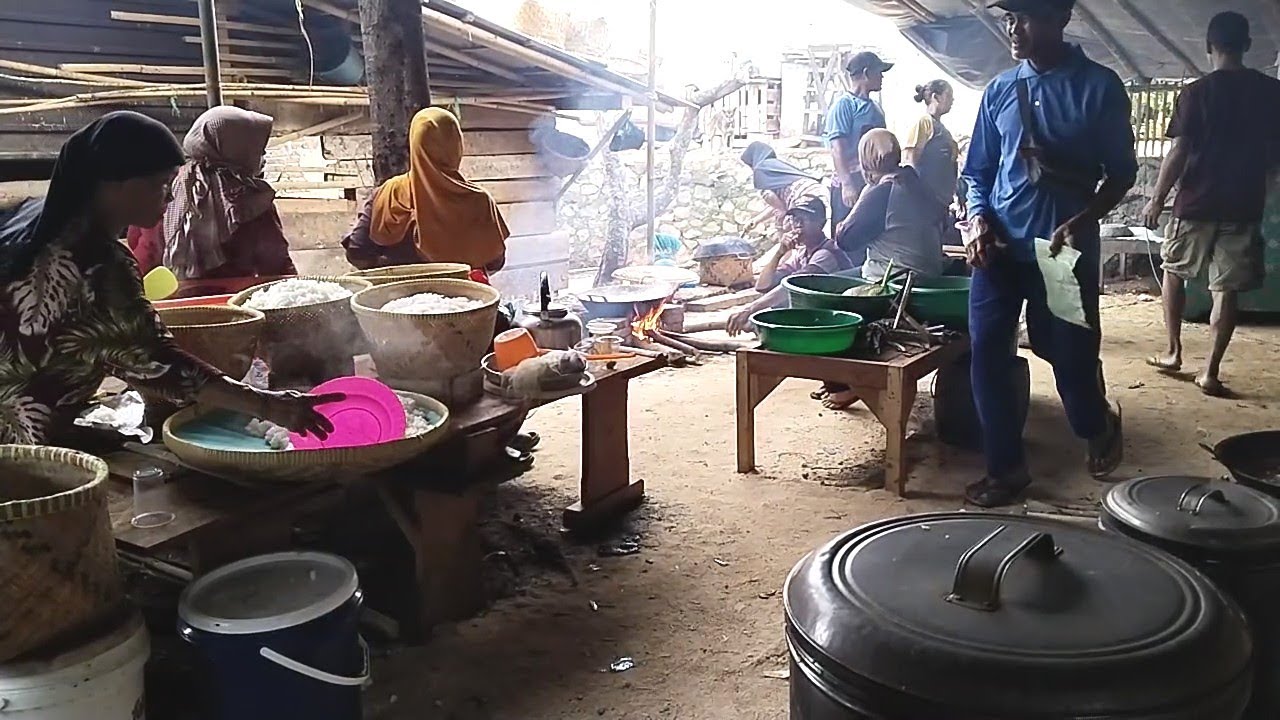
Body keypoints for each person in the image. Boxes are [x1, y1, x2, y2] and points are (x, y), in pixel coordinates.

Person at [0, 111, 337, 446]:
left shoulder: (28, 217)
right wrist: (269, 406)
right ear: (113, 183)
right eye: (159, 185)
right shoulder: (97, 263)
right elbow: (159, 362)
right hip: (18, 439)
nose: (171, 196)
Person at [961, 0, 1136, 508]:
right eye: (1009, 19)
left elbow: (1121, 172)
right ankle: (1005, 472)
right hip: (998, 250)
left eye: (1028, 18)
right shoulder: (998, 91)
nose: (1015, 29)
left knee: (1068, 357)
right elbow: (978, 173)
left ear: (1061, 20)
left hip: (1062, 255)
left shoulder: (1100, 88)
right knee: (989, 356)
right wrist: (977, 219)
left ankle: (1096, 423)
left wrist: (1084, 220)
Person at [1142, 11, 1280, 397]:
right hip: (1243, 203)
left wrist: (1157, 198)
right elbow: (1275, 152)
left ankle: (1173, 352)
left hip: (1196, 201)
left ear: (1208, 47)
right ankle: (1210, 372)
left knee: (1174, 271)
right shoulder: (1271, 93)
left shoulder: (1196, 93)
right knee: (1227, 290)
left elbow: (1179, 151)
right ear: (1248, 45)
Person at [818, 129, 948, 409]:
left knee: (827, 299)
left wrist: (865, 193)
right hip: (929, 276)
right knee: (840, 279)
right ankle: (842, 382)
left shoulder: (882, 190)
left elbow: (845, 240)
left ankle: (844, 384)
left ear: (867, 160)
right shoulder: (914, 180)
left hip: (896, 282)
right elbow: (942, 215)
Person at [128, 106, 296, 281]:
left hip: (167, 299)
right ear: (239, 150)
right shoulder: (251, 199)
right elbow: (276, 266)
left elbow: (139, 246)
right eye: (258, 149)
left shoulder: (166, 185)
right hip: (231, 303)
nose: (263, 156)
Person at [344, 107, 509, 273]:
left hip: (398, 296)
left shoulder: (390, 193)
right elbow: (495, 261)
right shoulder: (479, 201)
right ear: (457, 146)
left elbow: (357, 251)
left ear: (414, 144)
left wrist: (397, 271)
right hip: (462, 296)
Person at [726, 197, 852, 335]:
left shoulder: (826, 253)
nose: (798, 225)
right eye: (795, 220)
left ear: (821, 223)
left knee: (778, 307)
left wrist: (749, 310)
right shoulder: (802, 252)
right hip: (823, 311)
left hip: (840, 316)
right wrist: (779, 253)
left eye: (805, 219)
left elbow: (793, 287)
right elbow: (762, 286)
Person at [825, 51, 892, 235]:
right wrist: (847, 185)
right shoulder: (844, 105)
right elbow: (837, 149)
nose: (882, 77)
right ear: (866, 73)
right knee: (847, 236)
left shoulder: (875, 109)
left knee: (869, 235)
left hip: (871, 181)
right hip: (851, 181)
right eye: (879, 72)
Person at [738, 141, 826, 240]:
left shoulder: (760, 169)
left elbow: (771, 198)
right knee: (817, 229)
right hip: (817, 190)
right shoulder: (775, 165)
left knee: (792, 232)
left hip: (801, 195)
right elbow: (777, 203)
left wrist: (780, 221)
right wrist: (757, 220)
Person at [904, 79, 960, 209]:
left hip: (941, 199)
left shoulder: (941, 128)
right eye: (949, 95)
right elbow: (910, 159)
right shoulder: (924, 123)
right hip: (928, 199)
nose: (952, 100)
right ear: (936, 97)